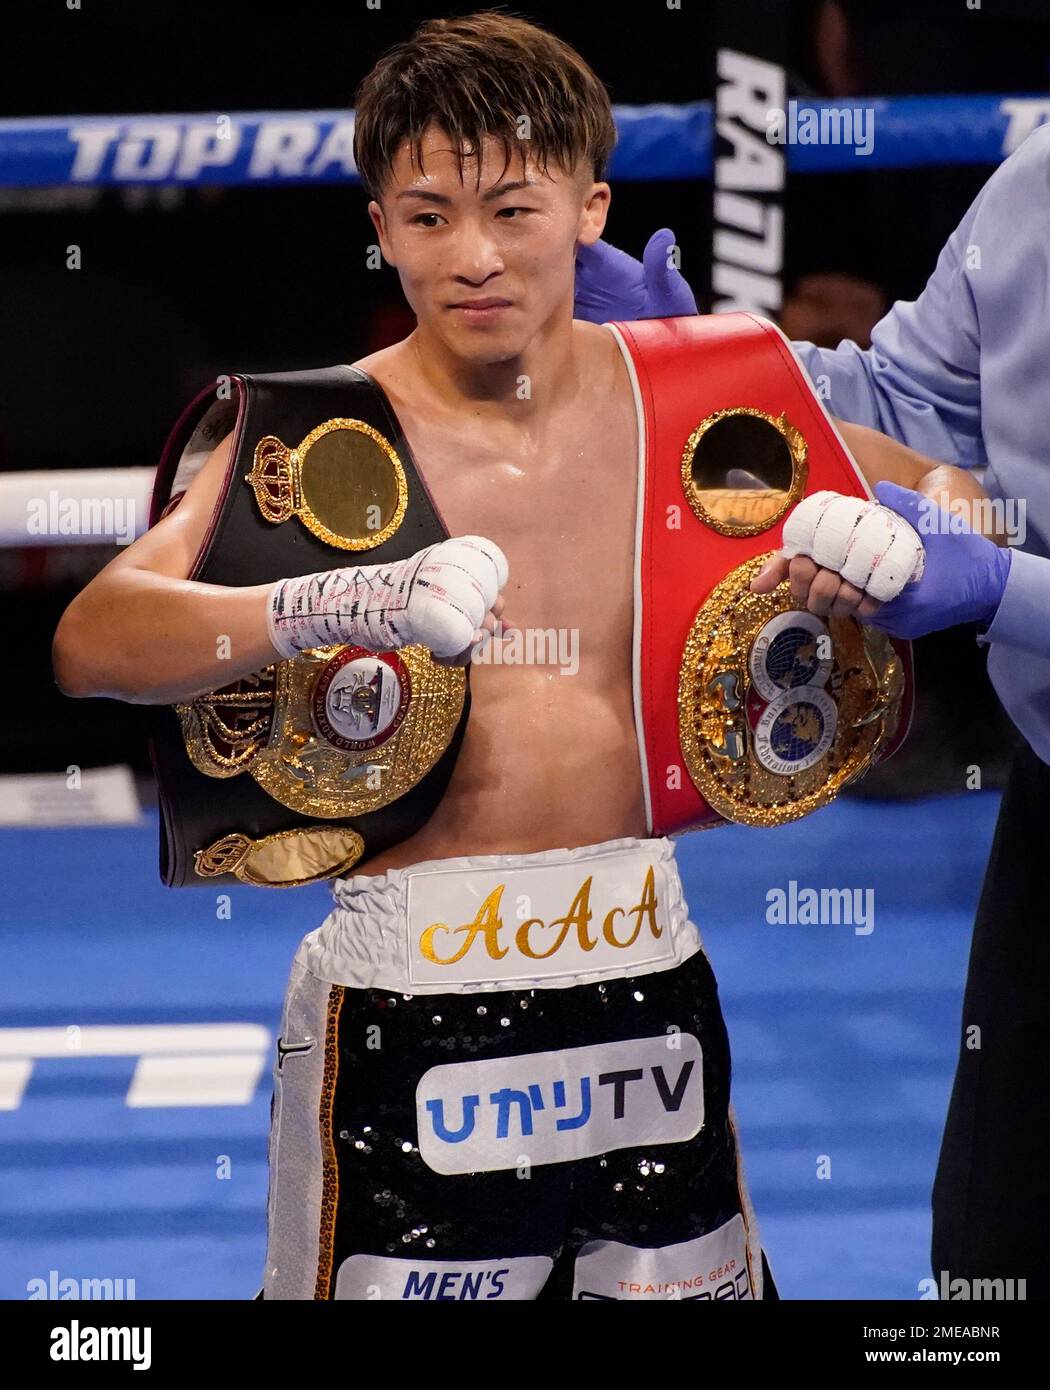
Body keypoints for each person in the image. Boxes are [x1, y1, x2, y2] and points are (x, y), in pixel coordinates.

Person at [52, 11, 992, 1301]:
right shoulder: (320, 431)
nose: (474, 256)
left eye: (513, 207)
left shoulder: (707, 392)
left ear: (589, 207)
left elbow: (964, 492)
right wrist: (330, 602)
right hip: (406, 998)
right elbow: (93, 639)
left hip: (647, 968)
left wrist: (912, 538)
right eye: (428, 216)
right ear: (380, 228)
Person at [576, 120, 1050, 1297]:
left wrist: (1002, 584)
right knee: (993, 1264)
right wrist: (696, 361)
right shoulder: (1036, 188)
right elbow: (908, 402)